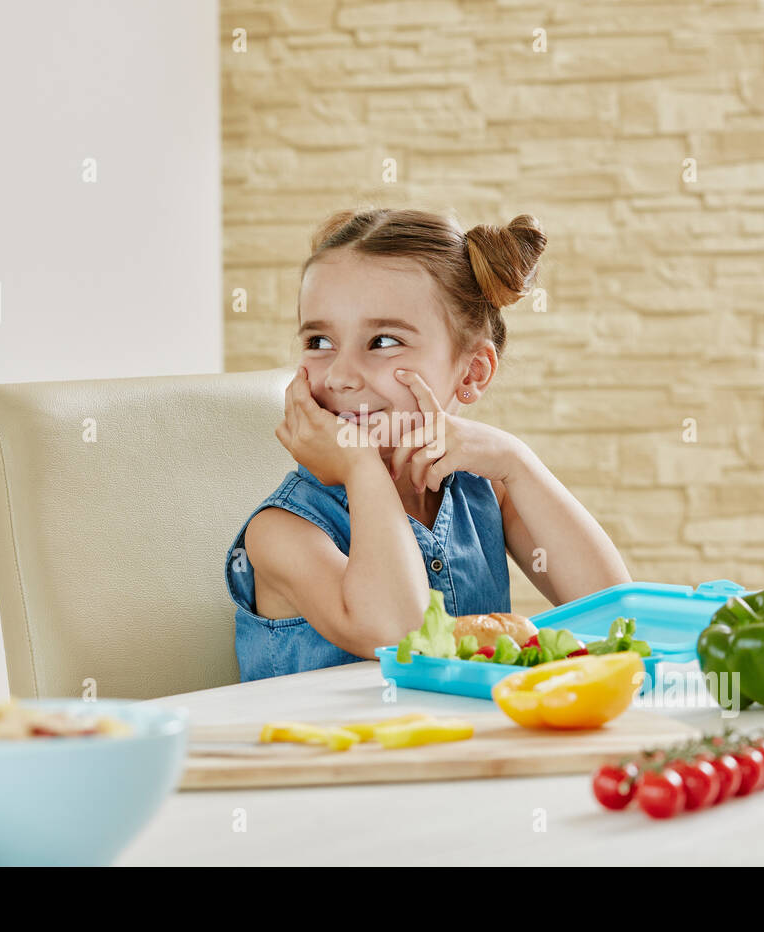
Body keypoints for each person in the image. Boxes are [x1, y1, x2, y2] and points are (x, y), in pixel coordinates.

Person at [224, 208, 631, 680]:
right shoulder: (282, 532)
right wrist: (360, 467)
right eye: (319, 341)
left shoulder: (484, 493)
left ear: (472, 372)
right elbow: (400, 636)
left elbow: (615, 612)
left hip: (465, 750)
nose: (339, 375)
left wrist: (515, 461)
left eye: (382, 341)